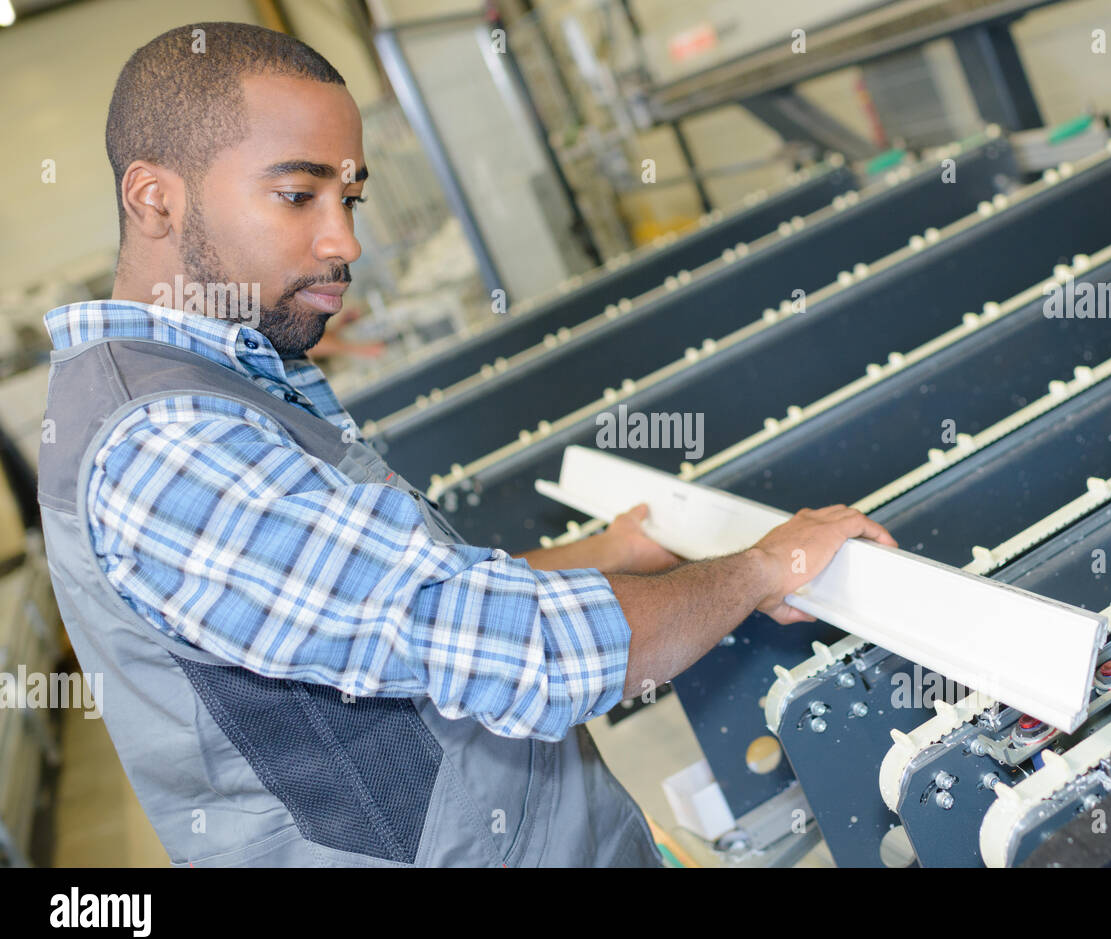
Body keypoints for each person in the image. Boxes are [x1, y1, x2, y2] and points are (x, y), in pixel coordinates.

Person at [37, 22, 896, 867]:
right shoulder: (162, 443)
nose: (345, 243)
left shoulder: (226, 369)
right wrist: (760, 569)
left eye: (350, 198)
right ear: (155, 198)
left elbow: (406, 601)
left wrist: (609, 552)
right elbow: (520, 645)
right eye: (298, 196)